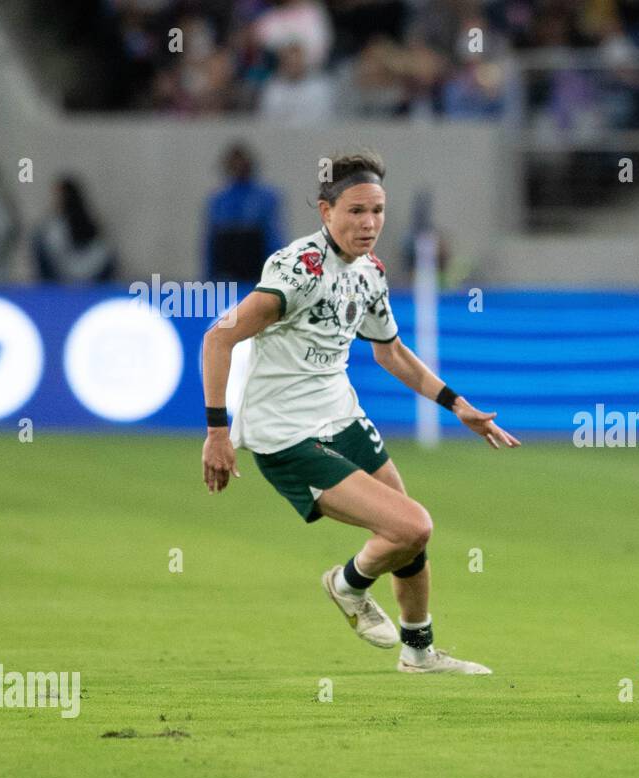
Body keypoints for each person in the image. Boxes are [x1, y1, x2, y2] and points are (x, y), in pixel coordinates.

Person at [201, 150, 519, 674]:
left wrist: (456, 404)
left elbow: (389, 351)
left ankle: (418, 652)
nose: (369, 223)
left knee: (405, 534)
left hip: (341, 416)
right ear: (326, 212)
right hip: (287, 436)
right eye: (355, 211)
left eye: (377, 211)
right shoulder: (296, 270)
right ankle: (345, 585)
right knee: (413, 526)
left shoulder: (369, 272)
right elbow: (220, 338)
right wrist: (217, 431)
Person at [204, 142, 285, 285]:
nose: (238, 168)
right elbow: (210, 242)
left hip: (256, 271)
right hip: (226, 274)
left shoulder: (265, 197)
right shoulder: (218, 200)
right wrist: (208, 277)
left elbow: (273, 236)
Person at [32, 176, 115, 283]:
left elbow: (102, 252)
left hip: (88, 271)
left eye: (58, 196)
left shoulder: (85, 221)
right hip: (63, 272)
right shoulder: (54, 225)